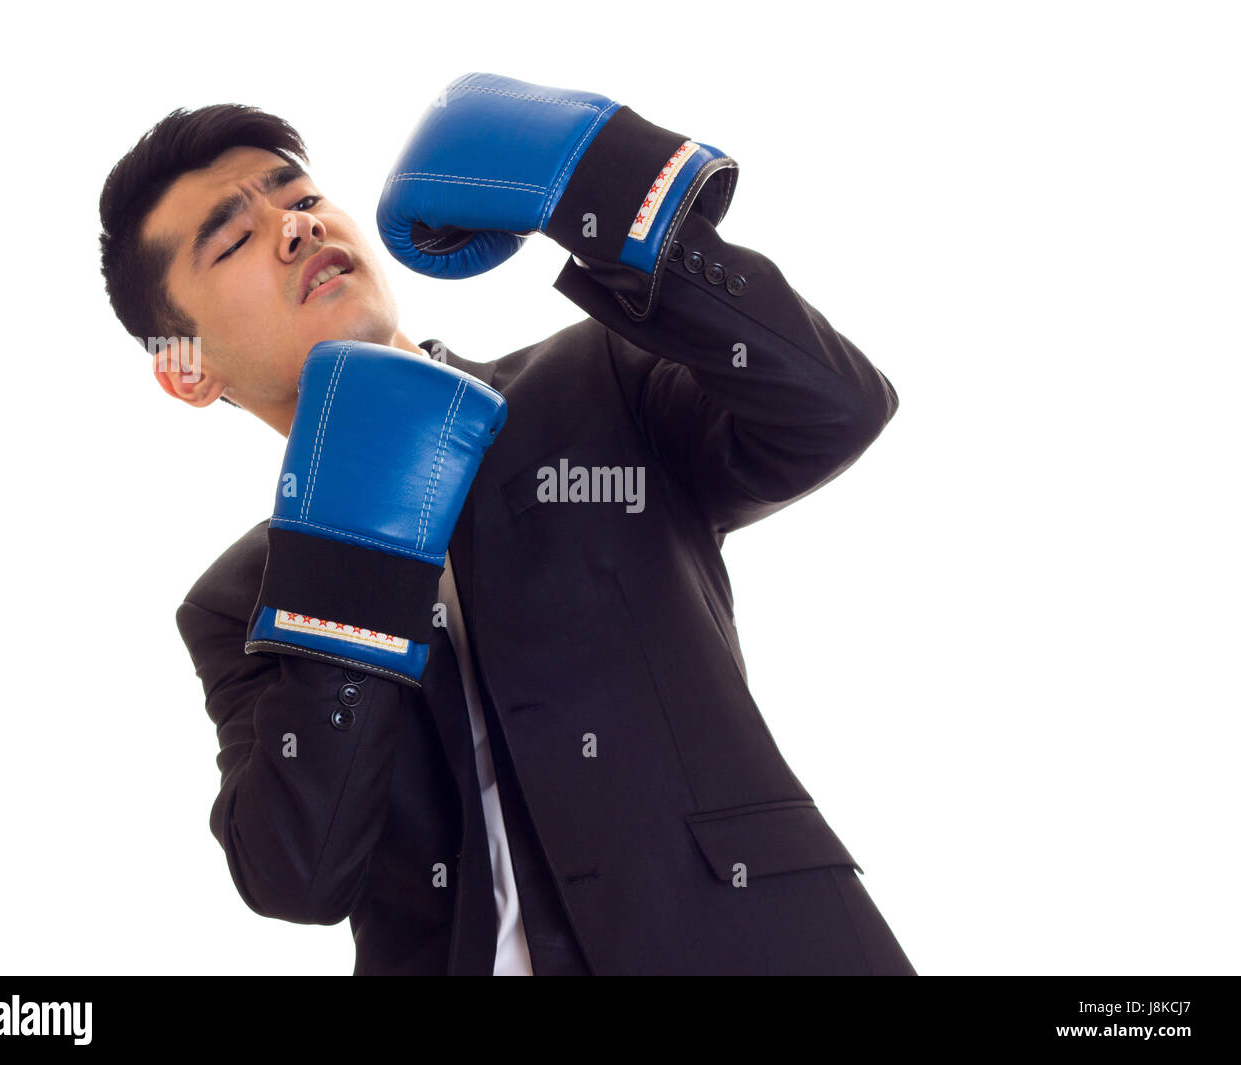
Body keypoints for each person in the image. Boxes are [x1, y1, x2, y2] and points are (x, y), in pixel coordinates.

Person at [97, 73, 917, 976]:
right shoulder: (233, 603)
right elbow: (298, 873)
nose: (298, 227)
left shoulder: (591, 387)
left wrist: (608, 198)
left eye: (302, 196)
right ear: (187, 369)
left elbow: (832, 407)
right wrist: (345, 553)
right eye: (236, 240)